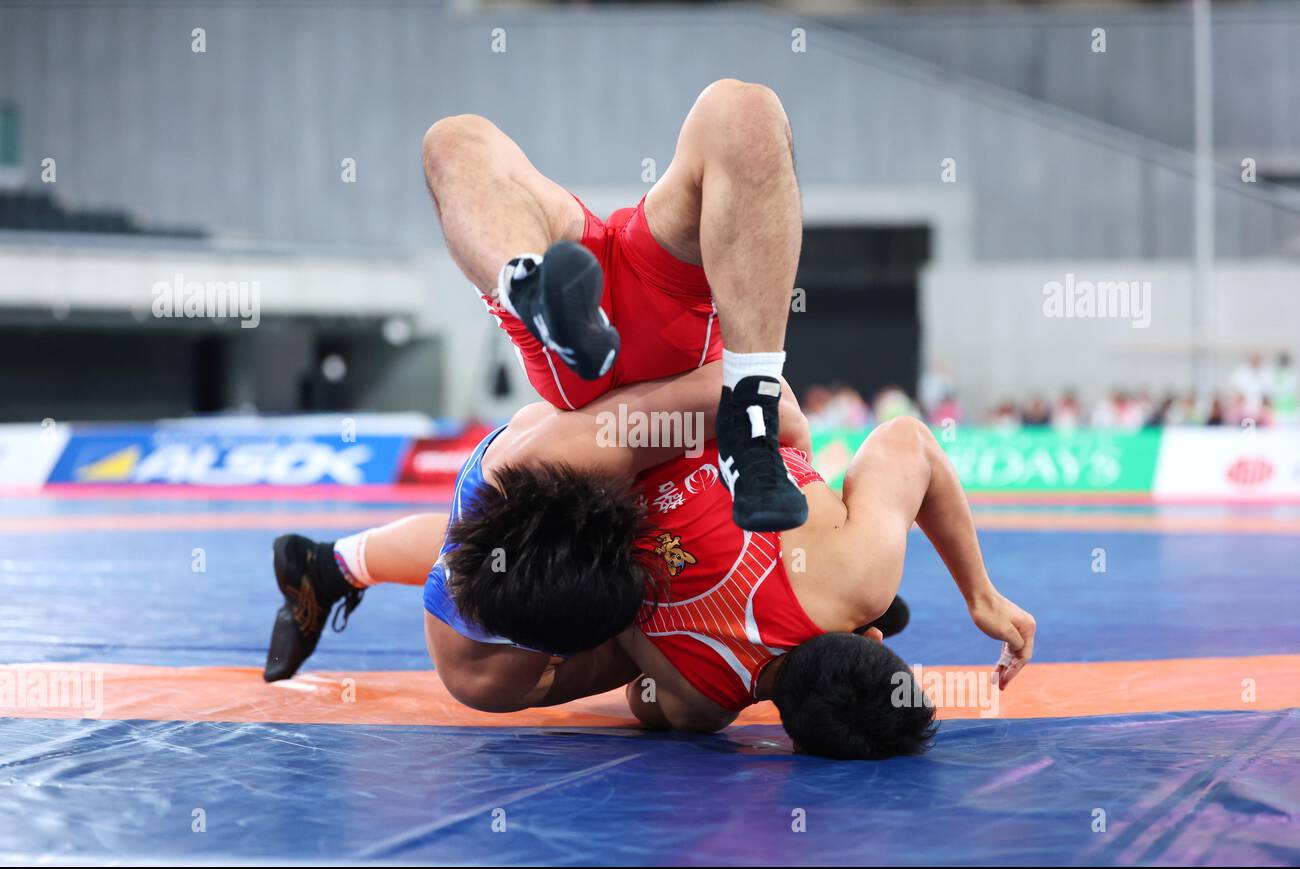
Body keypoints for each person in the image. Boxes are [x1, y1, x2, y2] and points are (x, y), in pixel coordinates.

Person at [268, 401, 1035, 759]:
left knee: (781, 428)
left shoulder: (863, 571)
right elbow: (641, 692)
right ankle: (339, 564)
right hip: (543, 488)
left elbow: (907, 440)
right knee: (488, 677)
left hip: (611, 431)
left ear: (869, 636)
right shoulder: (704, 708)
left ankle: (334, 565)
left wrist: (982, 596)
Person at [422, 78, 808, 533]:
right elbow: (794, 421)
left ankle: (532, 287)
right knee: (746, 110)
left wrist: (344, 562)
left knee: (453, 139)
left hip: (577, 358)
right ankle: (749, 408)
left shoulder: (536, 473)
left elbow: (437, 547)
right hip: (675, 320)